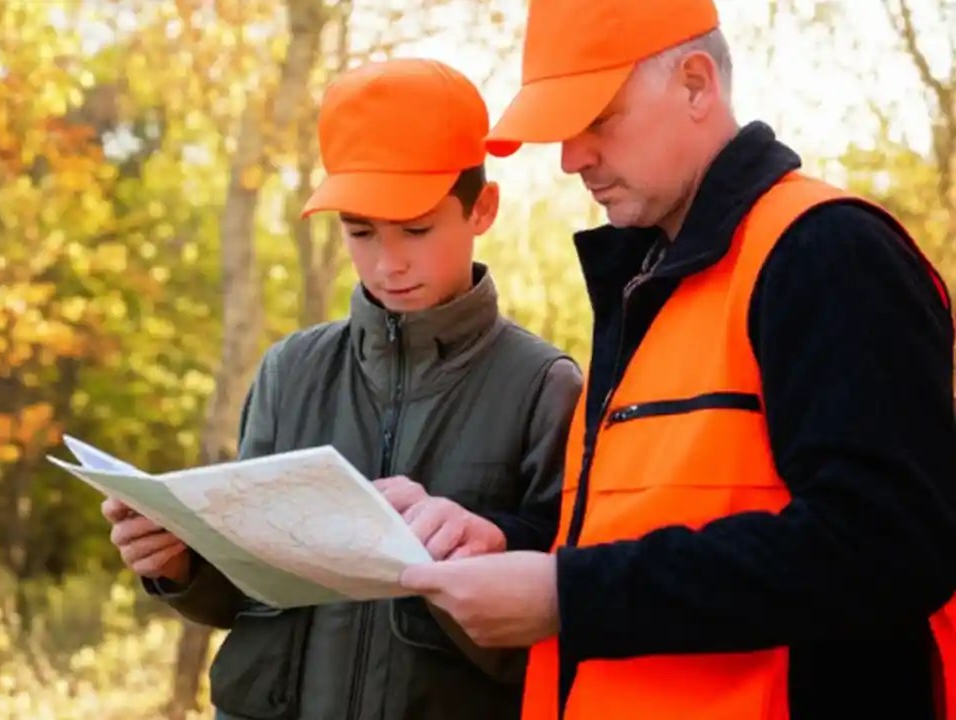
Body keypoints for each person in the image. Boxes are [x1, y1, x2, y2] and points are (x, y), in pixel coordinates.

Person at [399, 2, 956, 719]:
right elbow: (651, 527)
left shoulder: (827, 252)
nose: (572, 159)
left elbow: (888, 545)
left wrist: (570, 595)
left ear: (696, 84)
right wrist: (511, 542)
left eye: (596, 119)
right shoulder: (651, 280)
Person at [102, 57, 583, 720]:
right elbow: (248, 584)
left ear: (484, 210)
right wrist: (181, 566)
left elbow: (569, 609)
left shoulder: (546, 388)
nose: (389, 262)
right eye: (360, 232)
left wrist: (492, 543)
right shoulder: (288, 371)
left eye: (416, 229)